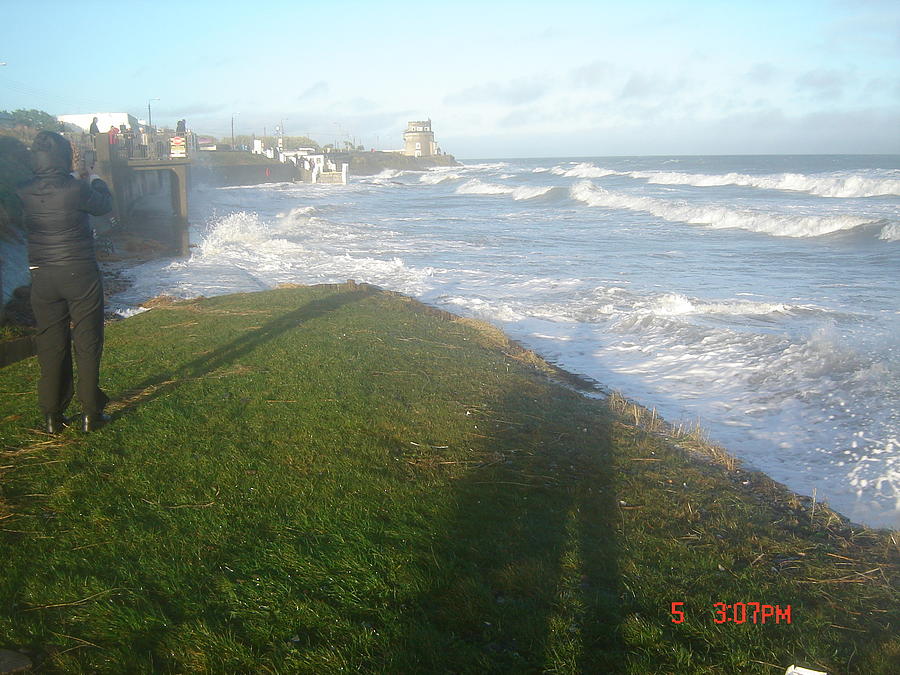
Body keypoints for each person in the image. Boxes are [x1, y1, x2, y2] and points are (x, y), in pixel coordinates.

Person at [16, 131, 113, 433]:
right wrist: (95, 178)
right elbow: (104, 206)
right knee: (87, 339)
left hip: (41, 274)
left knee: (51, 344)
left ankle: (52, 415)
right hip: (79, 271)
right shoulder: (77, 189)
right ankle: (91, 413)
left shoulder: (23, 190)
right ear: (63, 156)